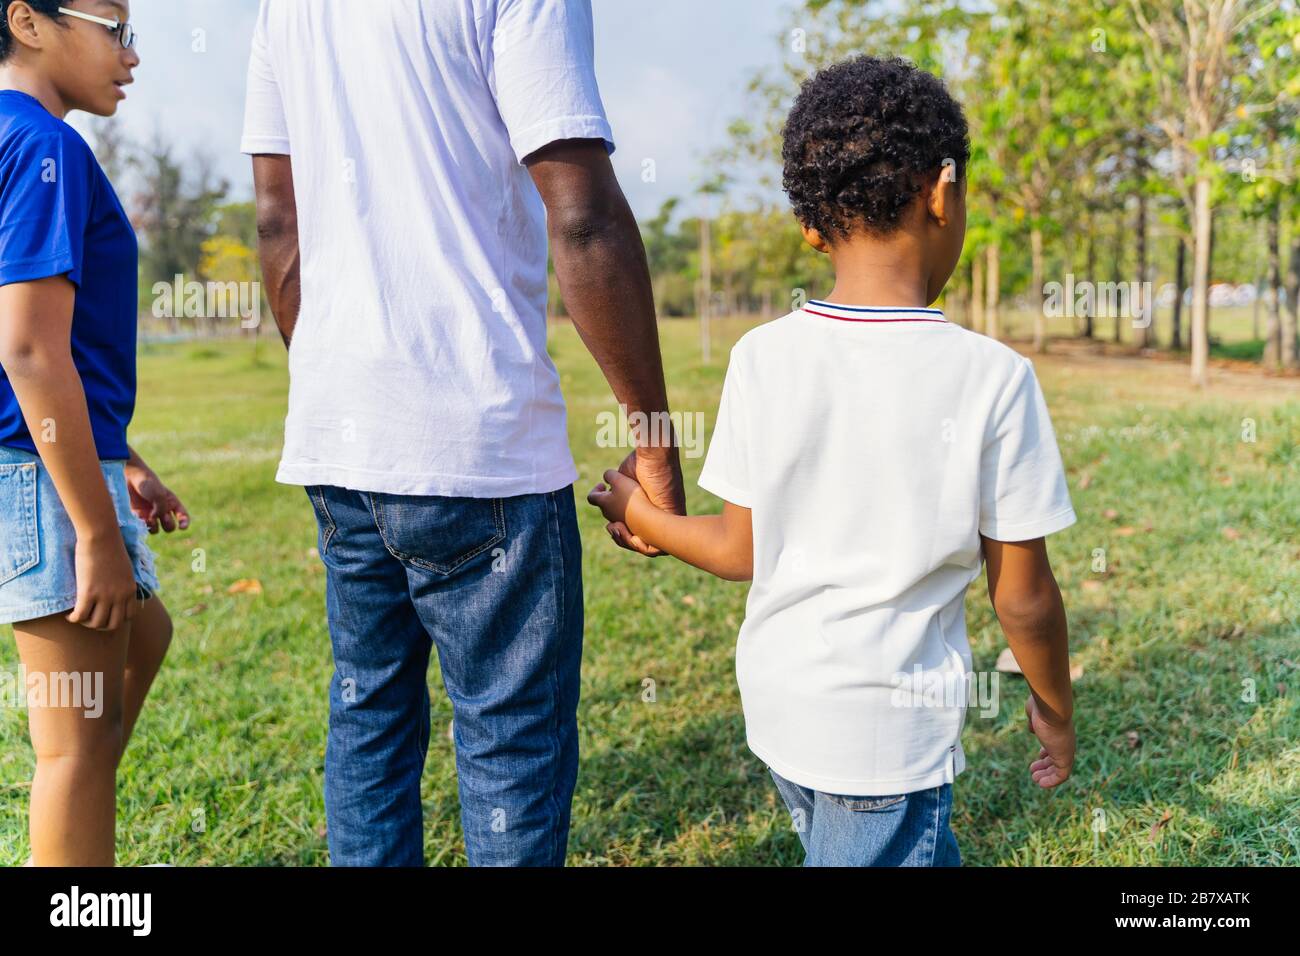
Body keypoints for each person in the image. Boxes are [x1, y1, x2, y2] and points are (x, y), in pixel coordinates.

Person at [588, 55, 1077, 867]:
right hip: (886, 734)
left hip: (783, 713)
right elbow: (1023, 597)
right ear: (944, 192)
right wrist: (1054, 707)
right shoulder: (995, 378)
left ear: (811, 225)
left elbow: (739, 550)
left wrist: (642, 515)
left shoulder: (762, 357)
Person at [241, 0, 684, 866]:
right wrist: (656, 442)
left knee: (368, 713)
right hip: (478, 442)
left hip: (343, 442)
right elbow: (583, 214)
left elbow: (275, 221)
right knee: (510, 737)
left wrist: (342, 386)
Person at [0, 0, 188, 867]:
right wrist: (91, 529)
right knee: (73, 747)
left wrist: (124, 458)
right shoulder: (45, 147)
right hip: (42, 483)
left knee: (142, 640)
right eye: (113, 28)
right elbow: (30, 351)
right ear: (29, 23)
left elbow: (42, 346)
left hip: (50, 459)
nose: (131, 54)